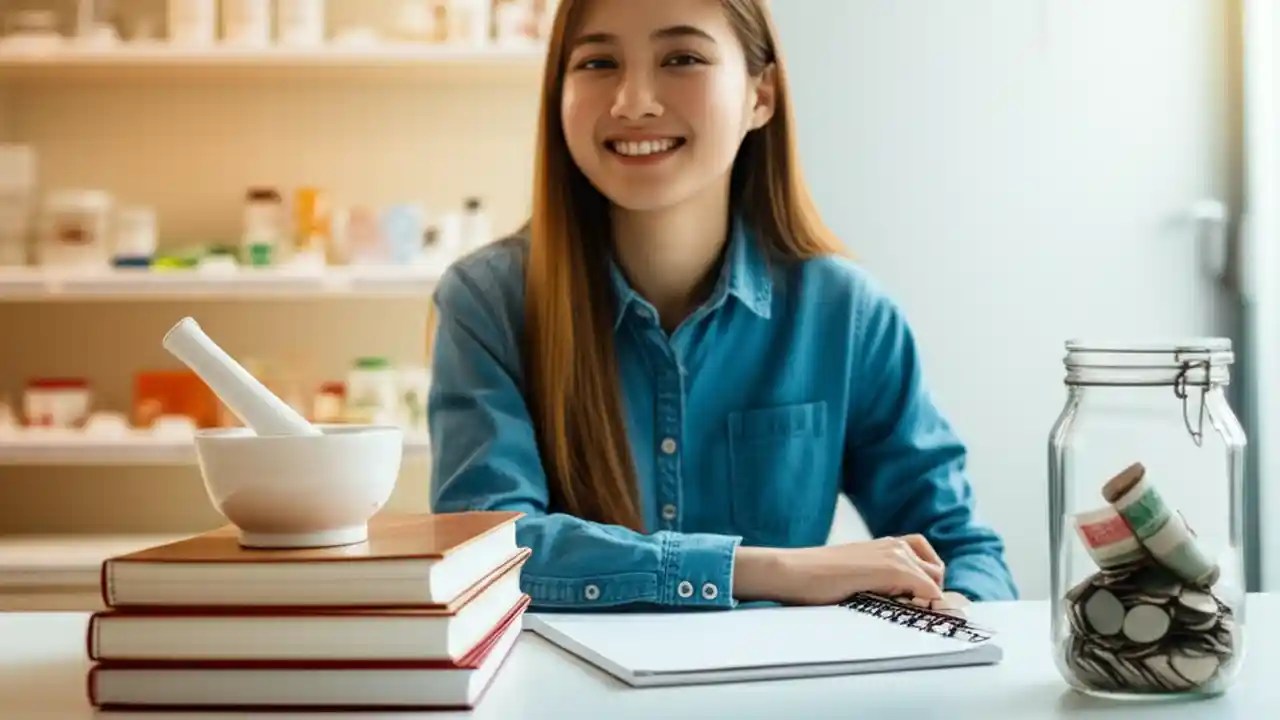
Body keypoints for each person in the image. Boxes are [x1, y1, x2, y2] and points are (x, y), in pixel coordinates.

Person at [427, 0, 1017, 612]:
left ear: (761, 96)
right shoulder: (487, 302)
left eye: (681, 58)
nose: (633, 102)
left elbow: (959, 548)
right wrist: (768, 570)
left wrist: (960, 610)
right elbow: (489, 552)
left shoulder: (847, 314)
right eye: (598, 63)